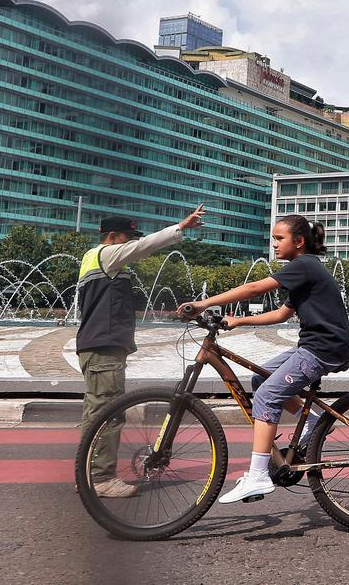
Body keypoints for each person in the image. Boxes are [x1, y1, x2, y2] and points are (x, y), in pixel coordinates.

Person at [177, 214, 349, 504]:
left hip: (323, 349)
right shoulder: (304, 270)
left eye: (279, 238)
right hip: (314, 345)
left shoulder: (304, 265)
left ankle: (258, 475)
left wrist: (204, 303)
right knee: (261, 378)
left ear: (298, 242)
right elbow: (282, 314)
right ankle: (315, 421)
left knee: (267, 396)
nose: (274, 244)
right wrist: (239, 321)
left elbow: (254, 288)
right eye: (273, 238)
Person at [77, 205, 205, 498]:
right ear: (112, 236)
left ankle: (87, 475)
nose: (131, 243)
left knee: (96, 412)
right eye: (127, 237)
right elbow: (145, 246)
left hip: (96, 345)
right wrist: (180, 227)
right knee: (108, 413)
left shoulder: (94, 259)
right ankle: (100, 479)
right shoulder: (106, 255)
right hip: (103, 347)